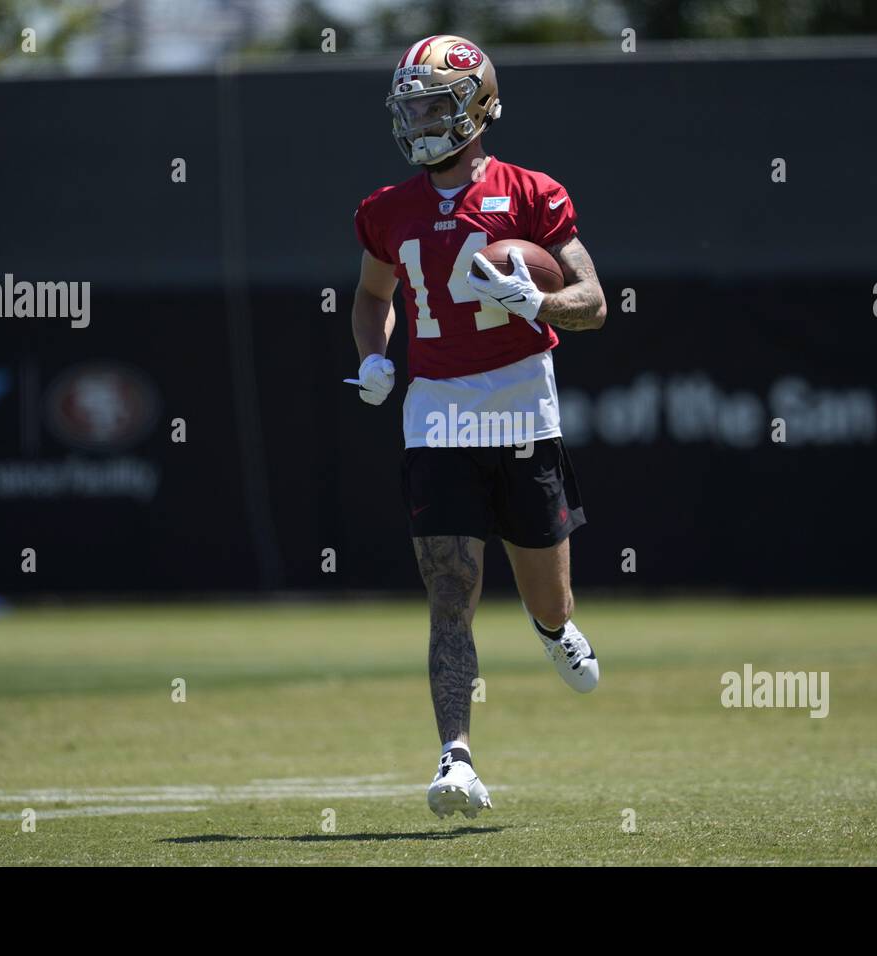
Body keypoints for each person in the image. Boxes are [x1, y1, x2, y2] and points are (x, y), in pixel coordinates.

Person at [347, 35, 607, 819]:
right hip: (437, 416)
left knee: (549, 599)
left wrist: (540, 304)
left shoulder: (532, 193)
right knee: (449, 592)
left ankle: (554, 628)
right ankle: (455, 757)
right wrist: (374, 358)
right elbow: (370, 296)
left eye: (434, 103)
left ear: (477, 106)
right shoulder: (384, 211)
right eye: (412, 105)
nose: (420, 118)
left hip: (525, 406)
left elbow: (593, 300)